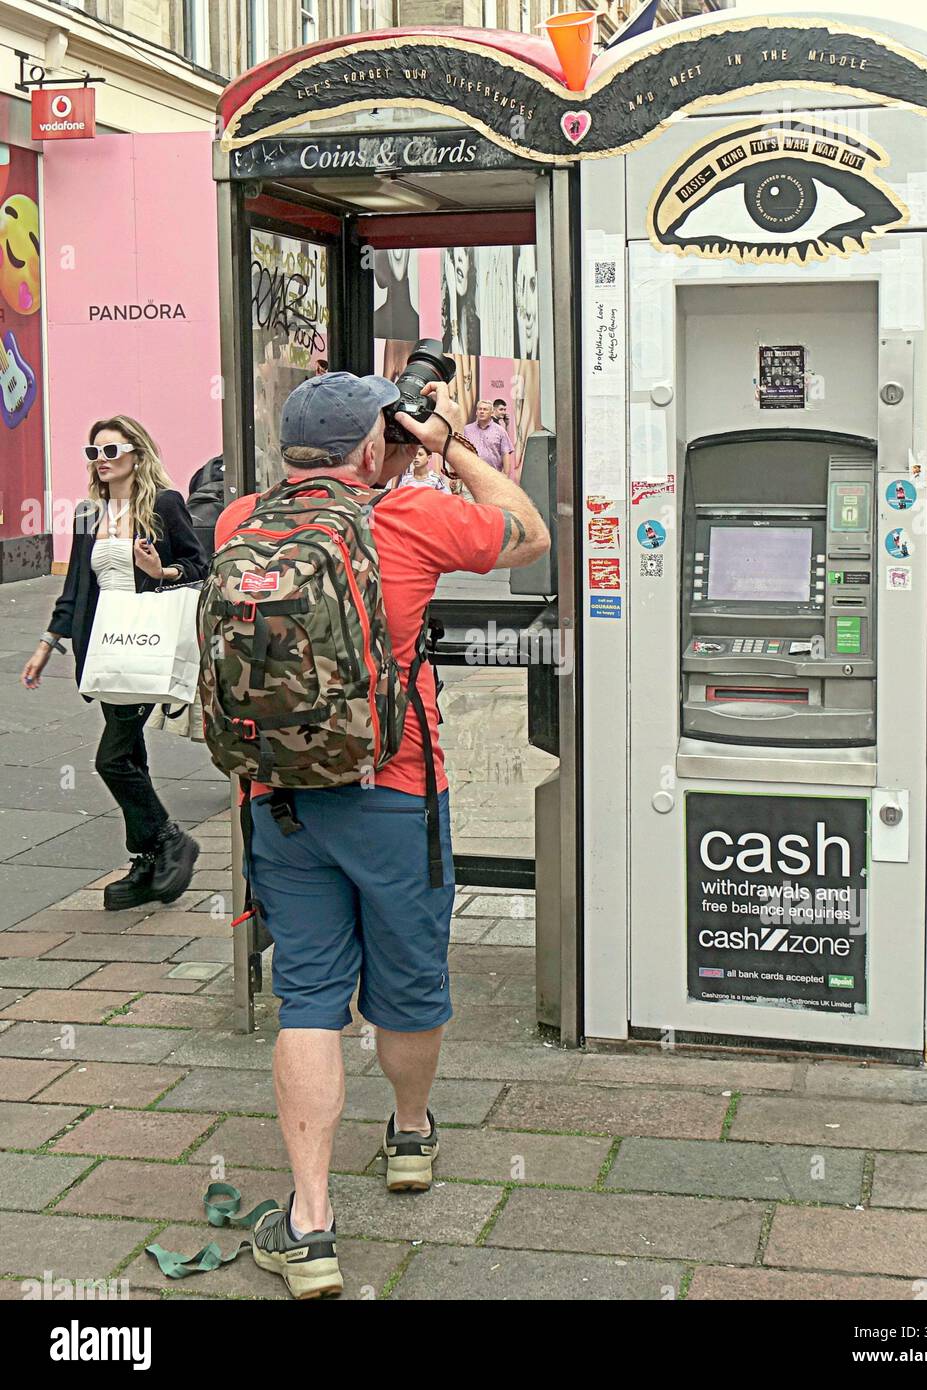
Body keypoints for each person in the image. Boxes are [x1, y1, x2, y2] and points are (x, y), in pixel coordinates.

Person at [213, 372, 548, 1299]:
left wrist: (387, 444)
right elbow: (528, 531)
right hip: (395, 793)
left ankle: (310, 1221)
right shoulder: (410, 519)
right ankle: (408, 1134)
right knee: (406, 979)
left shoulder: (241, 520)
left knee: (310, 997)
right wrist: (440, 446)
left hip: (278, 800)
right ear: (374, 446)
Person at [21, 416, 207, 910]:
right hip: (104, 646)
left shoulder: (163, 506)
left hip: (147, 640)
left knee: (112, 758)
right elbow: (75, 588)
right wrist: (48, 644)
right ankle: (147, 864)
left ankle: (169, 841)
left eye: (111, 451)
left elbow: (199, 565)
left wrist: (160, 569)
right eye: (93, 453)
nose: (101, 462)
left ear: (136, 454)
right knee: (132, 756)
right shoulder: (88, 515)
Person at [463, 398, 515, 478]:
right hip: (471, 476)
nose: (482, 411)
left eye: (485, 409)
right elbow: (460, 452)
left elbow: (505, 453)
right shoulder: (467, 430)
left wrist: (506, 476)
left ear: (492, 413)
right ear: (476, 412)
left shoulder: (500, 430)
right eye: (480, 409)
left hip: (493, 476)